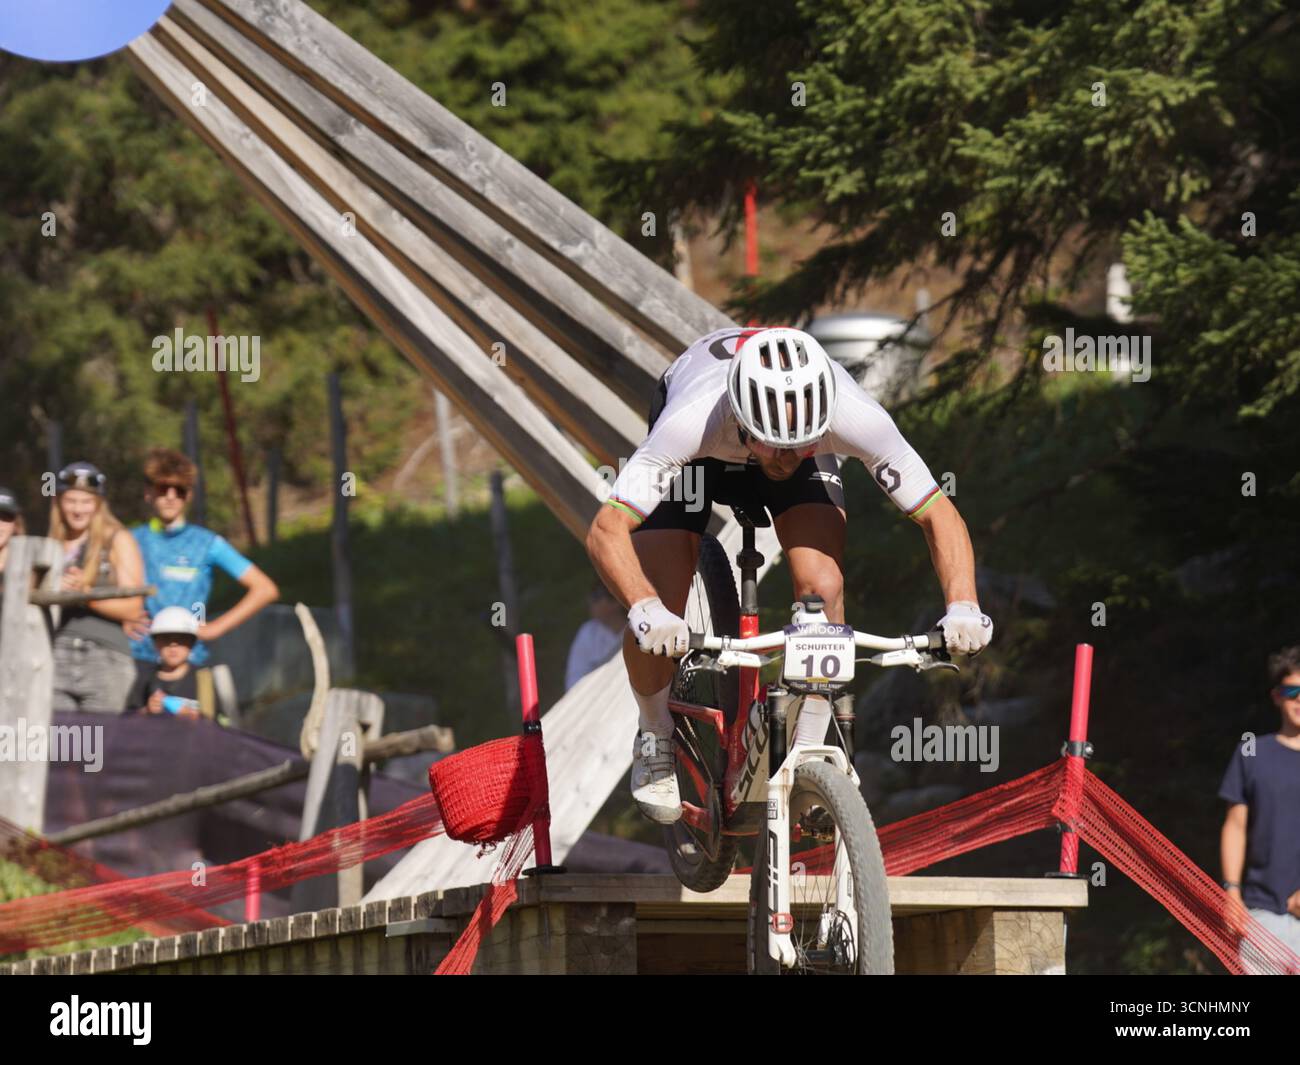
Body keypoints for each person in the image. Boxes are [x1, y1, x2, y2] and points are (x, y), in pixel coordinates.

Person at [585, 326, 993, 823]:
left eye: (799, 444)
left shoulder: (850, 415)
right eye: (775, 446)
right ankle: (655, 732)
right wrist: (647, 610)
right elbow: (606, 531)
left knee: (823, 588)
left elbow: (937, 513)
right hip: (699, 457)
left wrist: (964, 604)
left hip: (780, 430)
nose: (784, 459)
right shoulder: (689, 420)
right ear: (742, 418)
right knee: (661, 595)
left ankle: (807, 754)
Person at [126, 448, 278, 672]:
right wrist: (123, 616)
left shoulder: (207, 543)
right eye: (162, 488)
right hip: (140, 657)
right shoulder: (130, 540)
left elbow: (265, 589)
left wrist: (215, 629)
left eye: (179, 490)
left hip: (192, 661)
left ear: (188, 496)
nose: (170, 496)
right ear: (148, 492)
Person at [1220, 645, 1300, 970]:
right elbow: (1235, 826)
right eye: (1292, 689)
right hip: (1261, 914)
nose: (1299, 698)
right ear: (1276, 696)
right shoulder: (1253, 752)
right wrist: (1231, 891)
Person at [49, 461, 146, 713]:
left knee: (94, 748)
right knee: (62, 749)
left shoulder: (117, 538)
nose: (78, 509)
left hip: (105, 657)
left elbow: (133, 608)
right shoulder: (49, 544)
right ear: (59, 501)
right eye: (71, 500)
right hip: (54, 655)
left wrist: (85, 595)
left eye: (86, 501)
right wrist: (51, 588)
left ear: (99, 504)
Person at [128, 606, 204, 720]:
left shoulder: (205, 679)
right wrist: (147, 711)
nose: (173, 645)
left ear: (192, 642)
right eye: (166, 638)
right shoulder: (143, 679)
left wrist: (194, 718)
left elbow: (221, 724)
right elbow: (125, 724)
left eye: (181, 638)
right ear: (155, 643)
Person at [564, 584, 626, 689]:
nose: (591, 602)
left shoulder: (638, 627)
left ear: (615, 601)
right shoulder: (588, 633)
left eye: (597, 597)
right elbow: (573, 682)